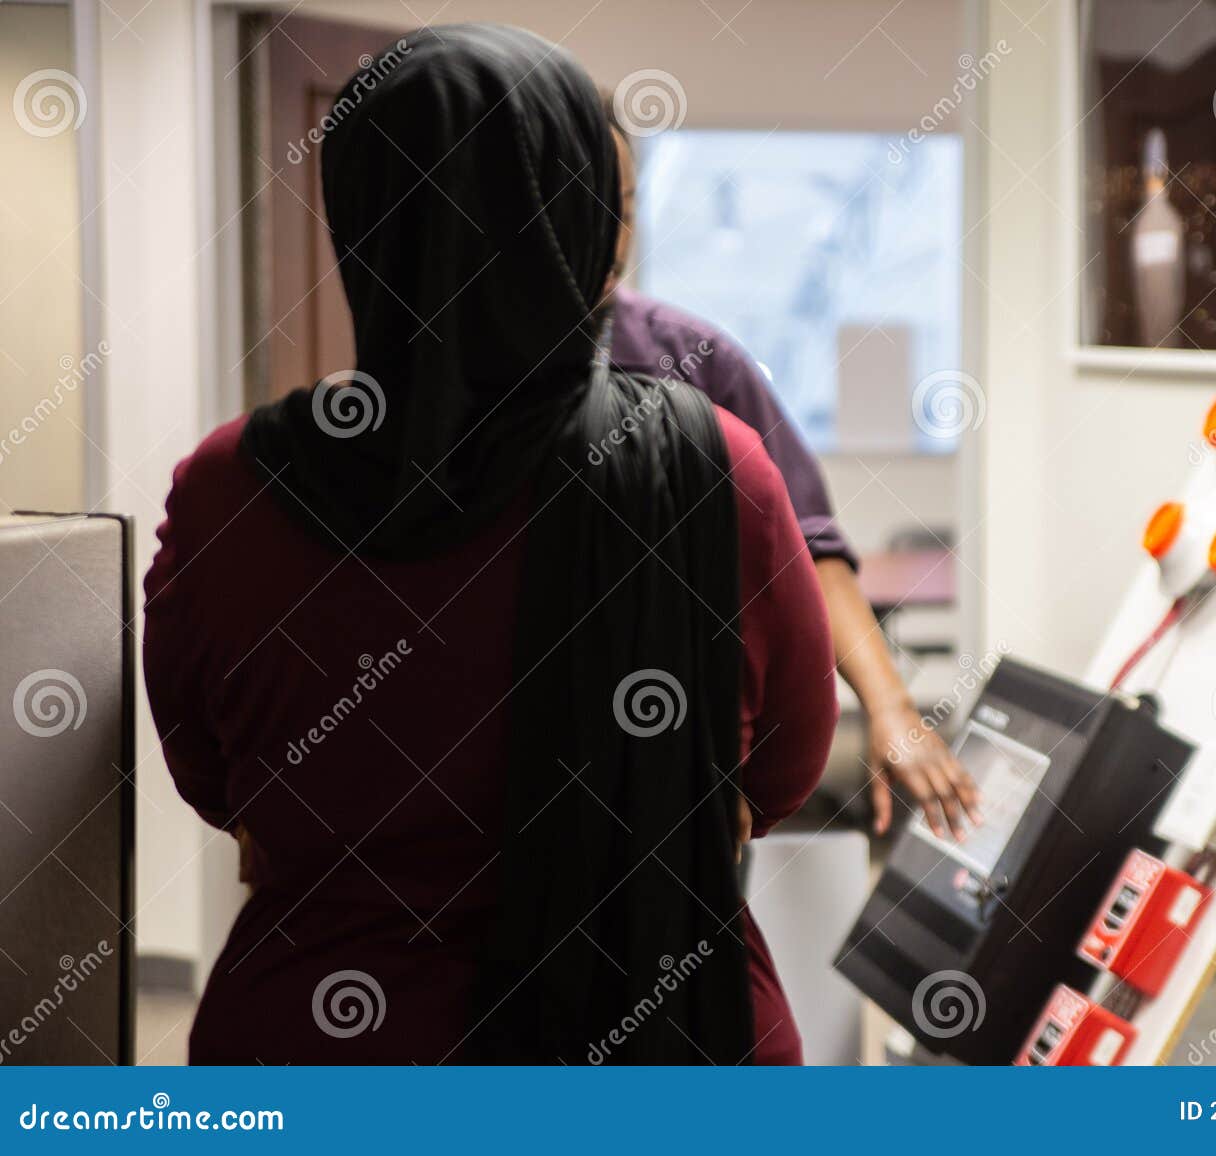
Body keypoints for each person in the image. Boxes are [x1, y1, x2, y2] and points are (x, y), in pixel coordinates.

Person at [143, 24, 835, 1065]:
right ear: (583, 212)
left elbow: (210, 774)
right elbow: (785, 767)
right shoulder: (706, 465)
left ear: (361, 219)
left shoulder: (228, 485)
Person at [604, 109, 981, 841]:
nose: (608, 240)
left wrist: (892, 709)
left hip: (689, 791)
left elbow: (813, 546)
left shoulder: (692, 362)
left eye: (620, 211)